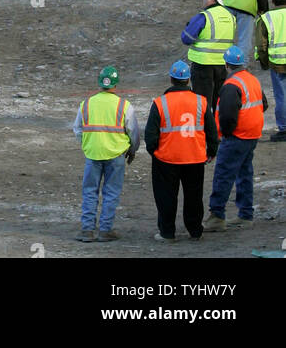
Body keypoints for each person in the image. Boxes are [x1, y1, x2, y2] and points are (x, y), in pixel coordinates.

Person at [145, 59, 218, 243]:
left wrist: (154, 151)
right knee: (194, 197)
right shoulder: (201, 101)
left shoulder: (160, 103)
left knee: (166, 197)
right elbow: (211, 130)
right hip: (194, 157)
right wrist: (211, 151)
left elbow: (151, 135)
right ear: (188, 79)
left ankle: (167, 233)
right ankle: (195, 231)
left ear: (171, 79)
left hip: (167, 158)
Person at [73, 64, 139, 244]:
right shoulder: (124, 106)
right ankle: (105, 230)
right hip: (116, 155)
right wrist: (132, 150)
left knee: (89, 191)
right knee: (111, 192)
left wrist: (88, 145)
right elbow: (133, 131)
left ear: (100, 83)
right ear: (116, 85)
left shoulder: (86, 104)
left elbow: (78, 129)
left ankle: (87, 230)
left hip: (93, 154)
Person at [203, 45, 267, 231]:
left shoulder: (232, 85)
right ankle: (245, 214)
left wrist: (225, 133)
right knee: (244, 173)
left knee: (223, 174)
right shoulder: (251, 80)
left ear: (226, 64)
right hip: (252, 135)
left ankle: (217, 216)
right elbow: (264, 103)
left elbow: (228, 116)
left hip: (237, 137)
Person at [181, 0, 236, 113]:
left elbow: (186, 38)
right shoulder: (231, 17)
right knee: (218, 101)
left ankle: (204, 130)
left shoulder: (204, 16)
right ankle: (216, 129)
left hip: (203, 65)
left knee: (202, 103)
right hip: (222, 65)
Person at [255, 0, 286, 142]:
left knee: (281, 96)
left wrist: (264, 62)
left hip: (277, 64)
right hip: (277, 64)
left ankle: (284, 129)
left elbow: (261, 45)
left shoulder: (267, 18)